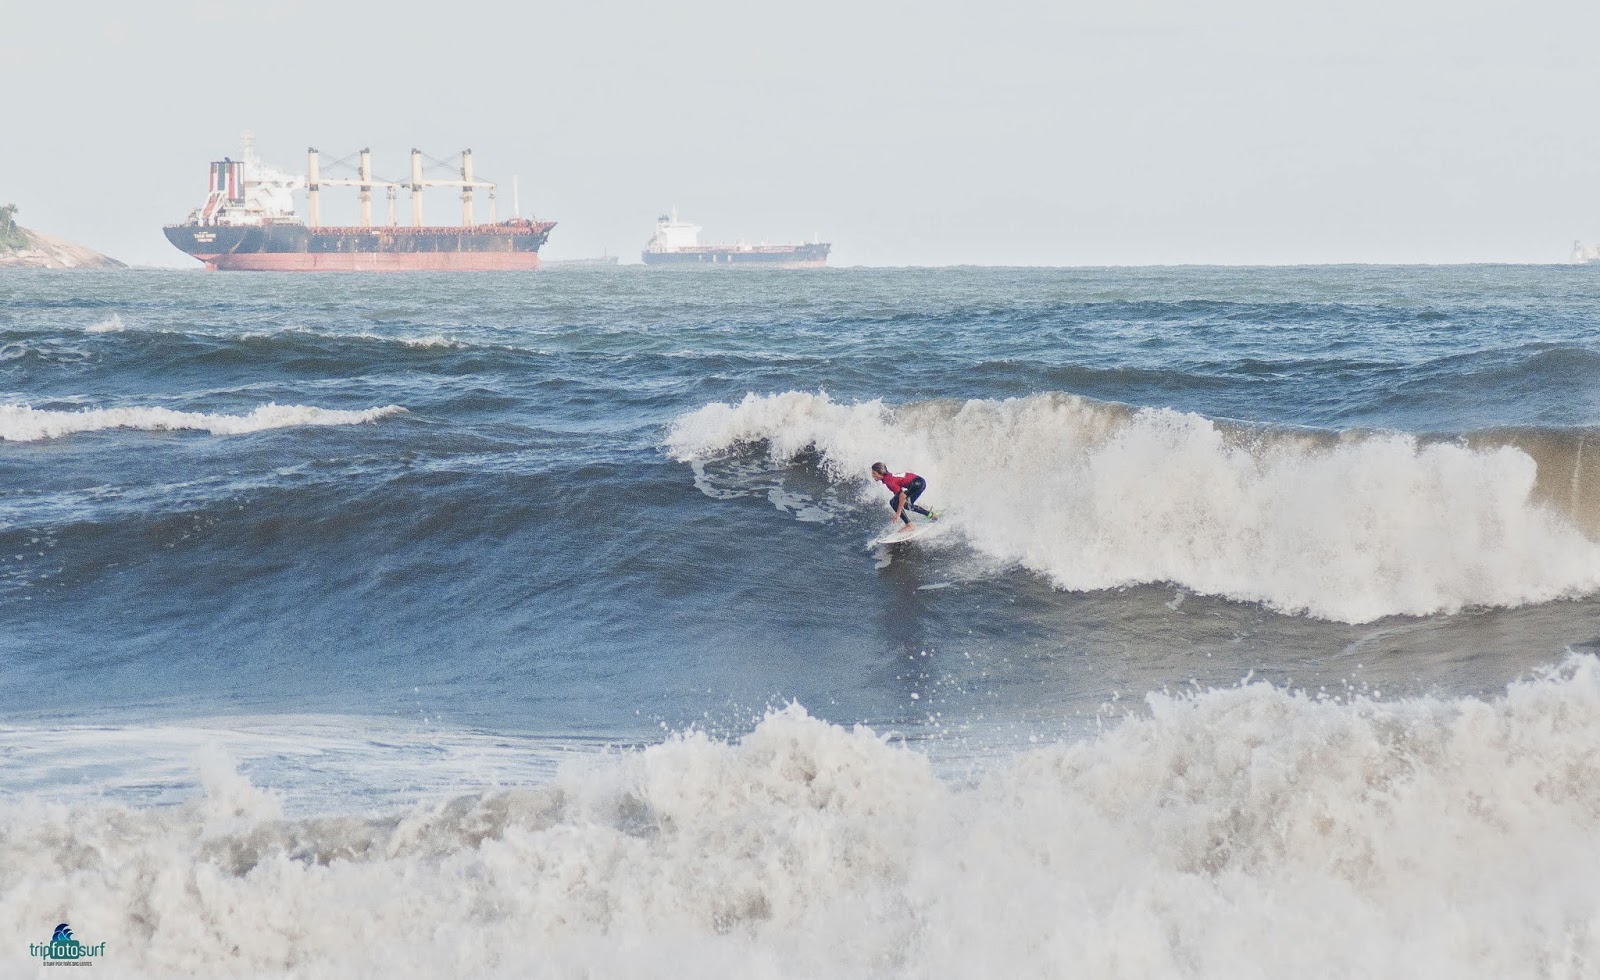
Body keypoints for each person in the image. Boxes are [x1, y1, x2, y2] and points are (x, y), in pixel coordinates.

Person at [871, 462, 938, 528]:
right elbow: (898, 495)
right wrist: (899, 511)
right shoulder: (889, 477)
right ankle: (931, 515)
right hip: (920, 482)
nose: (872, 475)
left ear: (880, 473)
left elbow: (902, 496)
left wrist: (898, 513)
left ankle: (909, 525)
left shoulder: (889, 481)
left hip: (917, 484)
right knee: (905, 504)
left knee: (895, 503)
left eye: (874, 473)